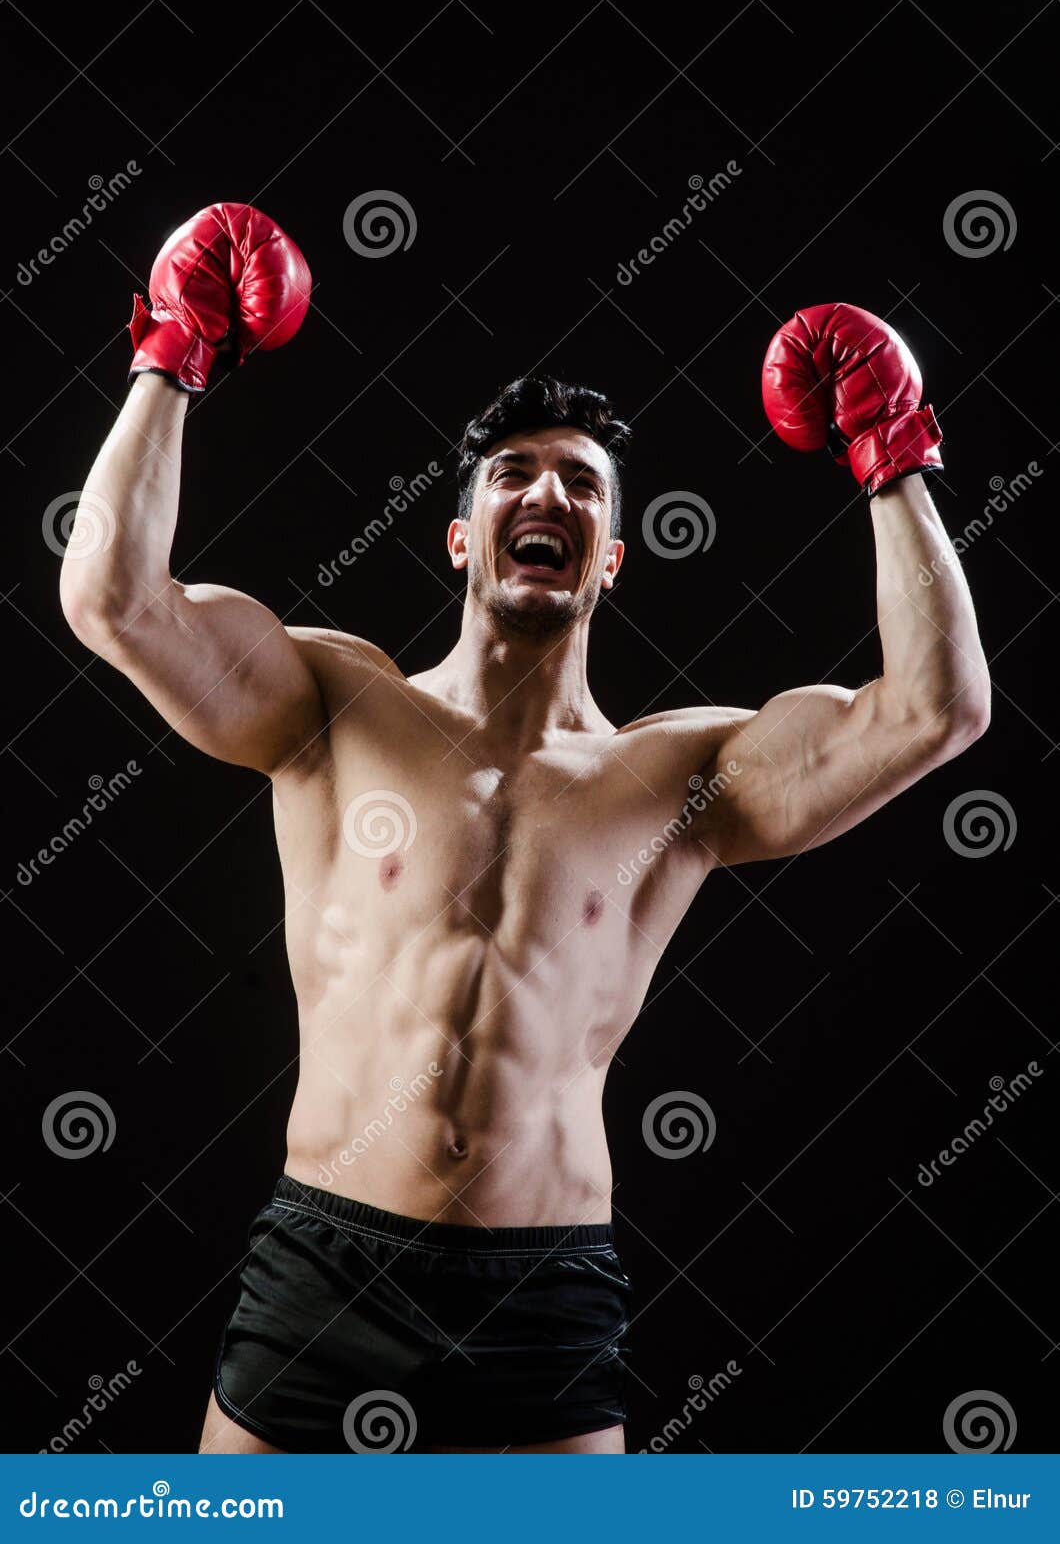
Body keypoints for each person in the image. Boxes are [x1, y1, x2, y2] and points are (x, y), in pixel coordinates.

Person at [59, 205, 990, 1454]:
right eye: (511, 473)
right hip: (329, 1261)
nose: (545, 491)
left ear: (610, 559)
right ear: (461, 538)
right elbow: (112, 597)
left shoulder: (683, 775)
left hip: (540, 1290)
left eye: (581, 485)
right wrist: (171, 352)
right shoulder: (332, 703)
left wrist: (894, 455)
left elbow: (937, 710)